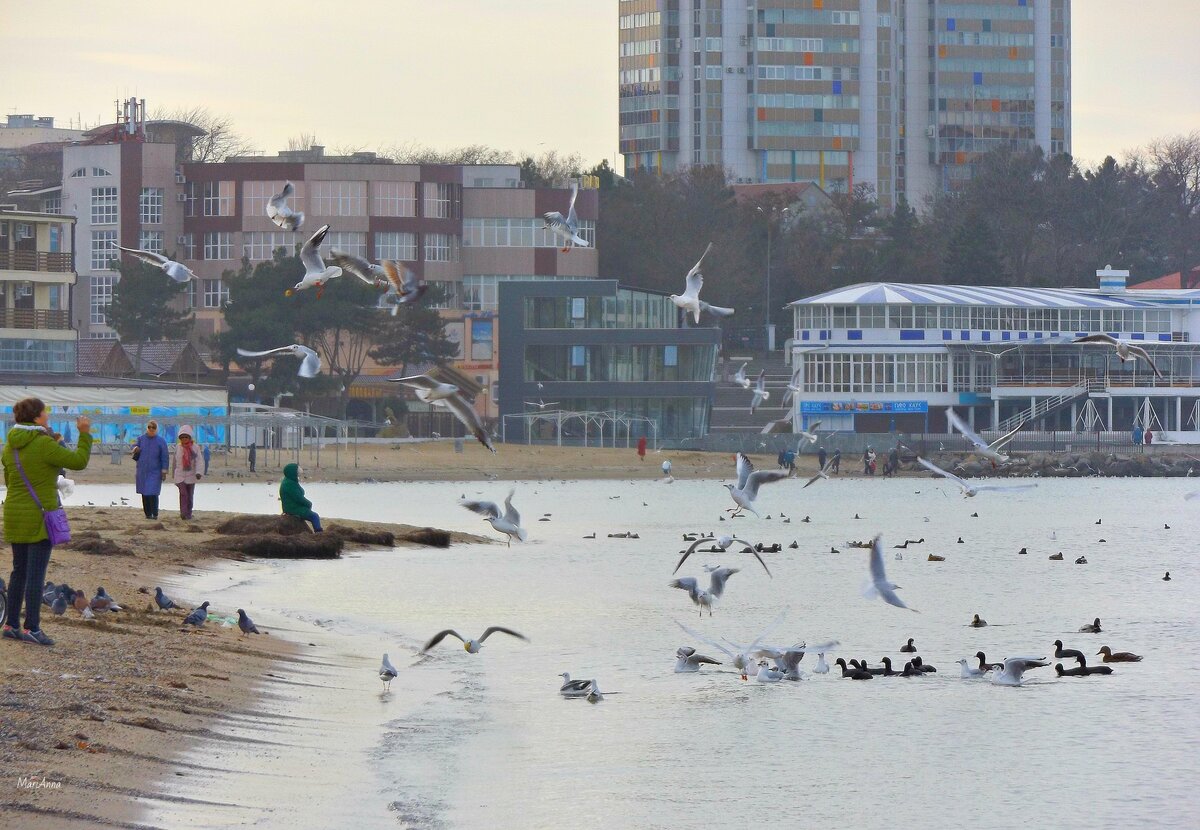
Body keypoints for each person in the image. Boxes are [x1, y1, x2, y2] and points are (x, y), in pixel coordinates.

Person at [3, 398, 92, 646]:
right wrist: (84, 434)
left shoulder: (9, 446)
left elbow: (10, 482)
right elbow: (78, 462)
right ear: (36, 417)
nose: (47, 416)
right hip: (39, 516)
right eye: (45, 413)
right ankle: (32, 628)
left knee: (18, 571)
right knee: (35, 575)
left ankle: (11, 625)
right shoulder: (43, 444)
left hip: (13, 514)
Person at [132, 421, 169, 519]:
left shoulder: (161, 441)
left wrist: (164, 471)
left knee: (153, 493)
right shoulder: (141, 439)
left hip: (155, 471)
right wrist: (136, 449)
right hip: (142, 471)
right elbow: (134, 447)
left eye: (153, 427)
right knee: (144, 493)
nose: (151, 429)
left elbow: (165, 456)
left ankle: (155, 513)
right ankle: (148, 514)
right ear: (147, 428)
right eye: (149, 427)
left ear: (156, 428)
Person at [280, 463, 322, 532]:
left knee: (311, 514)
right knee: (315, 516)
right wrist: (309, 504)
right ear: (293, 472)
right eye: (297, 471)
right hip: (293, 509)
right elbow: (298, 498)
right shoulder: (290, 484)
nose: (299, 473)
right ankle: (319, 533)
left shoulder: (289, 481)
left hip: (292, 507)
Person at [171, 425, 202, 520]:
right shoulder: (178, 447)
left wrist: (198, 472)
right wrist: (173, 474)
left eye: (186, 437)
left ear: (189, 437)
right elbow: (174, 462)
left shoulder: (195, 448)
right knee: (183, 493)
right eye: (182, 437)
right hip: (180, 475)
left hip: (191, 476)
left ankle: (189, 513)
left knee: (189, 495)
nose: (184, 439)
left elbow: (199, 461)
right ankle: (183, 513)